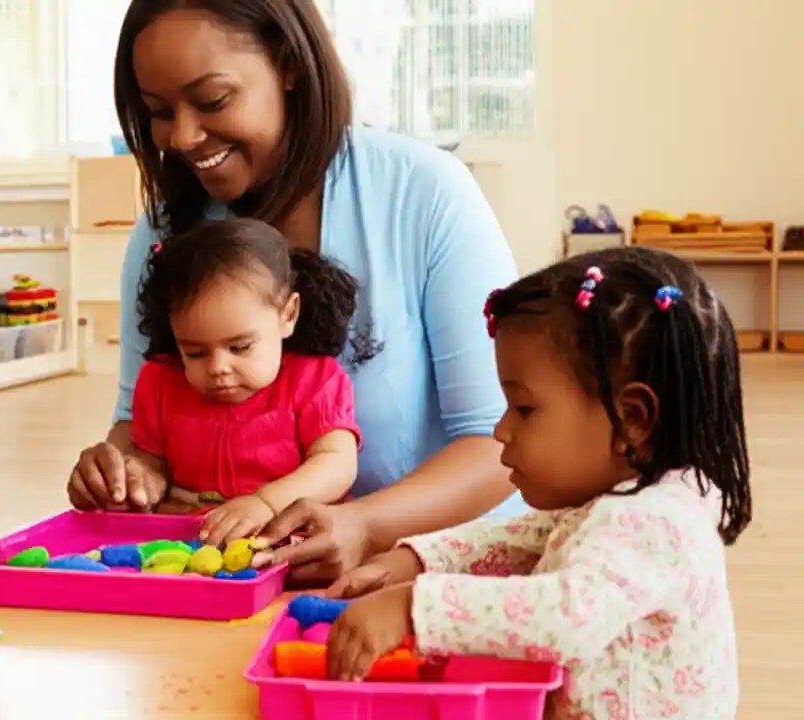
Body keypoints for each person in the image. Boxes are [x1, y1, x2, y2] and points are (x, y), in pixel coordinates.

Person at [68, 0, 523, 582]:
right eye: (158, 111)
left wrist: (364, 525)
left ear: (287, 64)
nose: (181, 136)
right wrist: (122, 474)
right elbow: (139, 426)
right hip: (235, 581)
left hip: (433, 578)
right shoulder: (164, 231)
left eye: (212, 101)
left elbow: (498, 443)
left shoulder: (424, 193)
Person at [321, 247, 748, 719]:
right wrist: (418, 559)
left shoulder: (657, 521)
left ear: (631, 420)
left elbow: (567, 615)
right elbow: (524, 537)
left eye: (524, 409)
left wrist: (412, 607)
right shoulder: (619, 496)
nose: (502, 430)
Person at [73, 217, 371, 547]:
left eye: (240, 347)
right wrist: (141, 481)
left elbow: (337, 463)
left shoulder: (316, 380)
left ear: (288, 315)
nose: (218, 368)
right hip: (189, 544)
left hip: (287, 542)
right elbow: (151, 459)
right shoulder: (160, 380)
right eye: (195, 352)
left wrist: (267, 503)